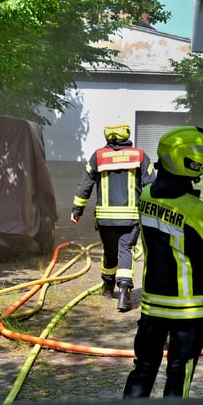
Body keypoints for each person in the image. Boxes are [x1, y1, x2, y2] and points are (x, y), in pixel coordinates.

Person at [122, 126, 203, 398]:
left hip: (153, 303)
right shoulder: (195, 210)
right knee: (179, 373)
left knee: (143, 367)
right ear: (191, 165)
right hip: (188, 308)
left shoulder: (146, 195)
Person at [71, 122, 155, 311]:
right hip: (131, 218)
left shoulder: (99, 156)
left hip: (105, 220)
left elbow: (85, 184)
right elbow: (151, 185)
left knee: (109, 252)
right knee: (126, 250)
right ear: (126, 135)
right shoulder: (139, 155)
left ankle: (108, 287)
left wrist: (77, 210)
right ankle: (124, 293)